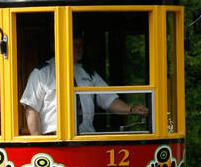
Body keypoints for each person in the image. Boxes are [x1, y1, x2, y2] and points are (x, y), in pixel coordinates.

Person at [20, 29, 150, 135]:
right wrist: (40, 144)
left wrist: (132, 109)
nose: (79, 49)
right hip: (55, 140)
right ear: (57, 46)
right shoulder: (42, 73)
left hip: (86, 138)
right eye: (74, 45)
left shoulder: (88, 72)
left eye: (80, 45)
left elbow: (109, 100)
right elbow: (31, 110)